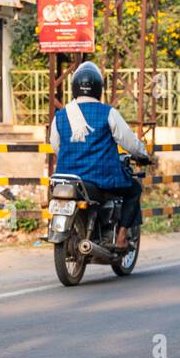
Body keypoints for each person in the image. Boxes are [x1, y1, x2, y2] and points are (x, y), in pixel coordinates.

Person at [49, 62, 152, 250]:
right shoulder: (108, 113)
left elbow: (56, 146)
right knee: (134, 189)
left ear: (74, 88)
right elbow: (128, 141)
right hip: (101, 179)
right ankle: (121, 238)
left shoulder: (61, 115)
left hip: (66, 178)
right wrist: (142, 154)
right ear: (98, 89)